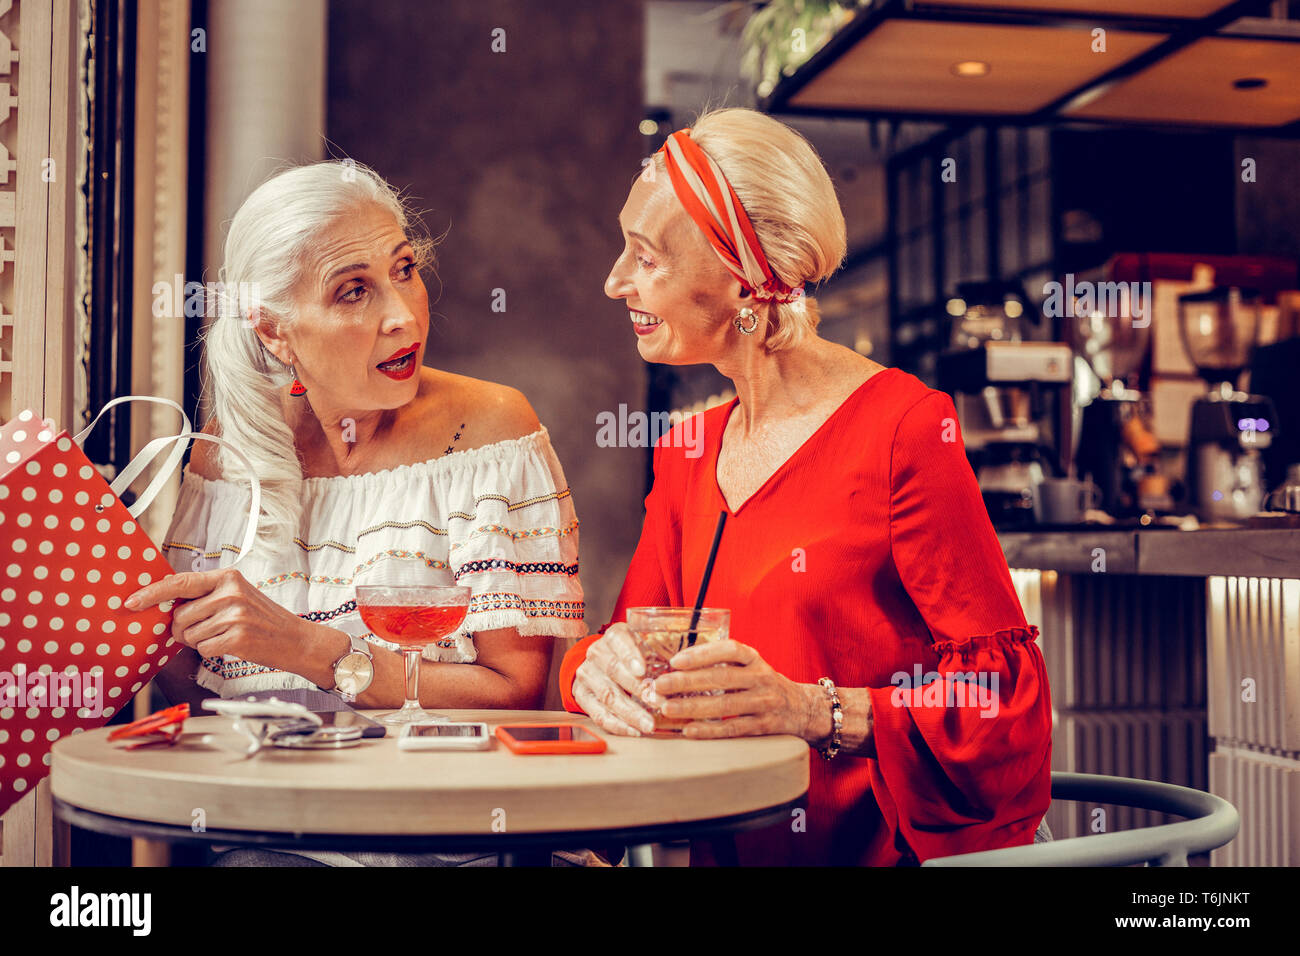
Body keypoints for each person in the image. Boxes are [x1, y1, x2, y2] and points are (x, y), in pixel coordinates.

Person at [558, 108, 1053, 866]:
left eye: (646, 257)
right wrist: (593, 673)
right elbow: (632, 647)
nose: (614, 281)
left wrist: (813, 710)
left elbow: (1004, 709)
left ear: (744, 276)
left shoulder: (906, 427)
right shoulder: (686, 448)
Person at [127, 160, 589, 866]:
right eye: (354, 292)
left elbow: (515, 695)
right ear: (277, 334)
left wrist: (308, 650)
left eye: (405, 269)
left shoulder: (493, 431)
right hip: (271, 829)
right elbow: (190, 679)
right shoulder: (229, 444)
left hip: (448, 836)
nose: (403, 314)